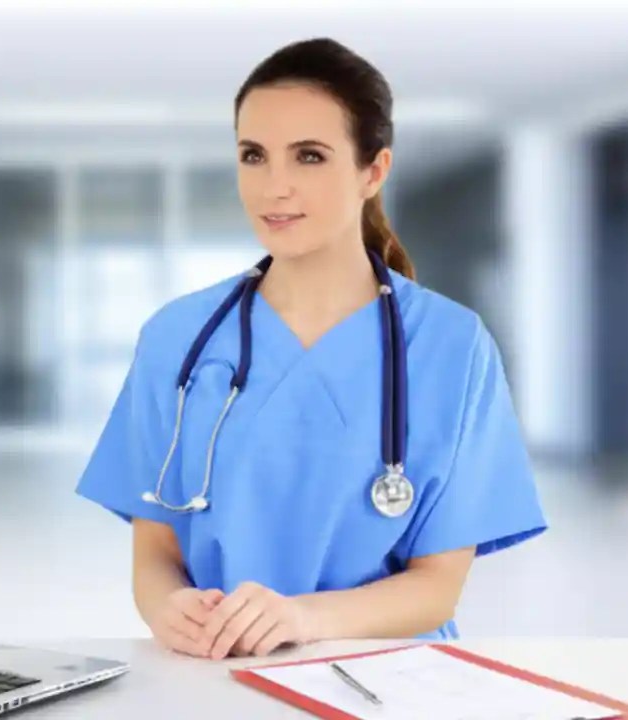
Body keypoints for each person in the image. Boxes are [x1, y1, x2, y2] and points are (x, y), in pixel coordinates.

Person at [74, 37, 547, 660]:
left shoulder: (452, 347)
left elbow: (436, 588)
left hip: (389, 679)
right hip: (219, 672)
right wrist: (170, 608)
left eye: (309, 156)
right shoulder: (176, 338)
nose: (274, 187)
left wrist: (299, 618)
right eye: (253, 155)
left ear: (373, 171)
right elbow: (156, 556)